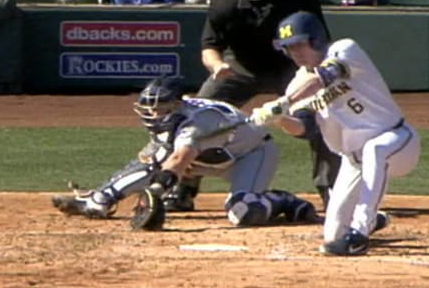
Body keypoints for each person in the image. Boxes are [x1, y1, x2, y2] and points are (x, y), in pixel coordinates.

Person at [168, 0, 341, 211]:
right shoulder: (225, 0)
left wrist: (312, 74)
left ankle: (331, 189)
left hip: (291, 67)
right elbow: (210, 47)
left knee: (324, 115)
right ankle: (182, 187)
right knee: (199, 114)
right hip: (240, 68)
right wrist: (217, 68)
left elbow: (320, 41)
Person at [252, 11, 419, 257]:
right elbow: (303, 128)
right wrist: (278, 119)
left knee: (375, 149)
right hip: (353, 160)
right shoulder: (297, 85)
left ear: (316, 40)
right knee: (332, 237)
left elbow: (324, 77)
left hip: (398, 142)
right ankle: (370, 221)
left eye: (300, 44)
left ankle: (360, 234)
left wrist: (283, 102)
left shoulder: (345, 49)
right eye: (289, 48)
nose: (295, 52)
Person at [50, 75, 316, 228]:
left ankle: (282, 201)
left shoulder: (199, 122)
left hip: (250, 154)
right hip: (210, 155)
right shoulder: (176, 118)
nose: (154, 115)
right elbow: (148, 161)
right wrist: (107, 196)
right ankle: (98, 199)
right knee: (152, 161)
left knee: (243, 213)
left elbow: (180, 159)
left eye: (160, 109)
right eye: (150, 109)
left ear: (177, 105)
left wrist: (155, 191)